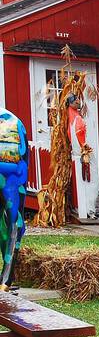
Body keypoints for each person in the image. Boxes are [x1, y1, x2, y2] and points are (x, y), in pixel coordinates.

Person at [0, 108, 28, 290]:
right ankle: (6, 278)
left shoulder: (10, 122)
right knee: (11, 218)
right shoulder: (12, 121)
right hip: (11, 169)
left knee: (12, 218)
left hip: (10, 170)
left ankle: (6, 278)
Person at [67, 95, 99, 220]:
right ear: (70, 104)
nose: (78, 101)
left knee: (84, 181)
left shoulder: (70, 117)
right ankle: (90, 209)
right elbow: (80, 135)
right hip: (83, 152)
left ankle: (86, 207)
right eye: (75, 100)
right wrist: (84, 148)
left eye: (78, 99)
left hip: (77, 153)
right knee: (93, 179)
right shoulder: (77, 119)